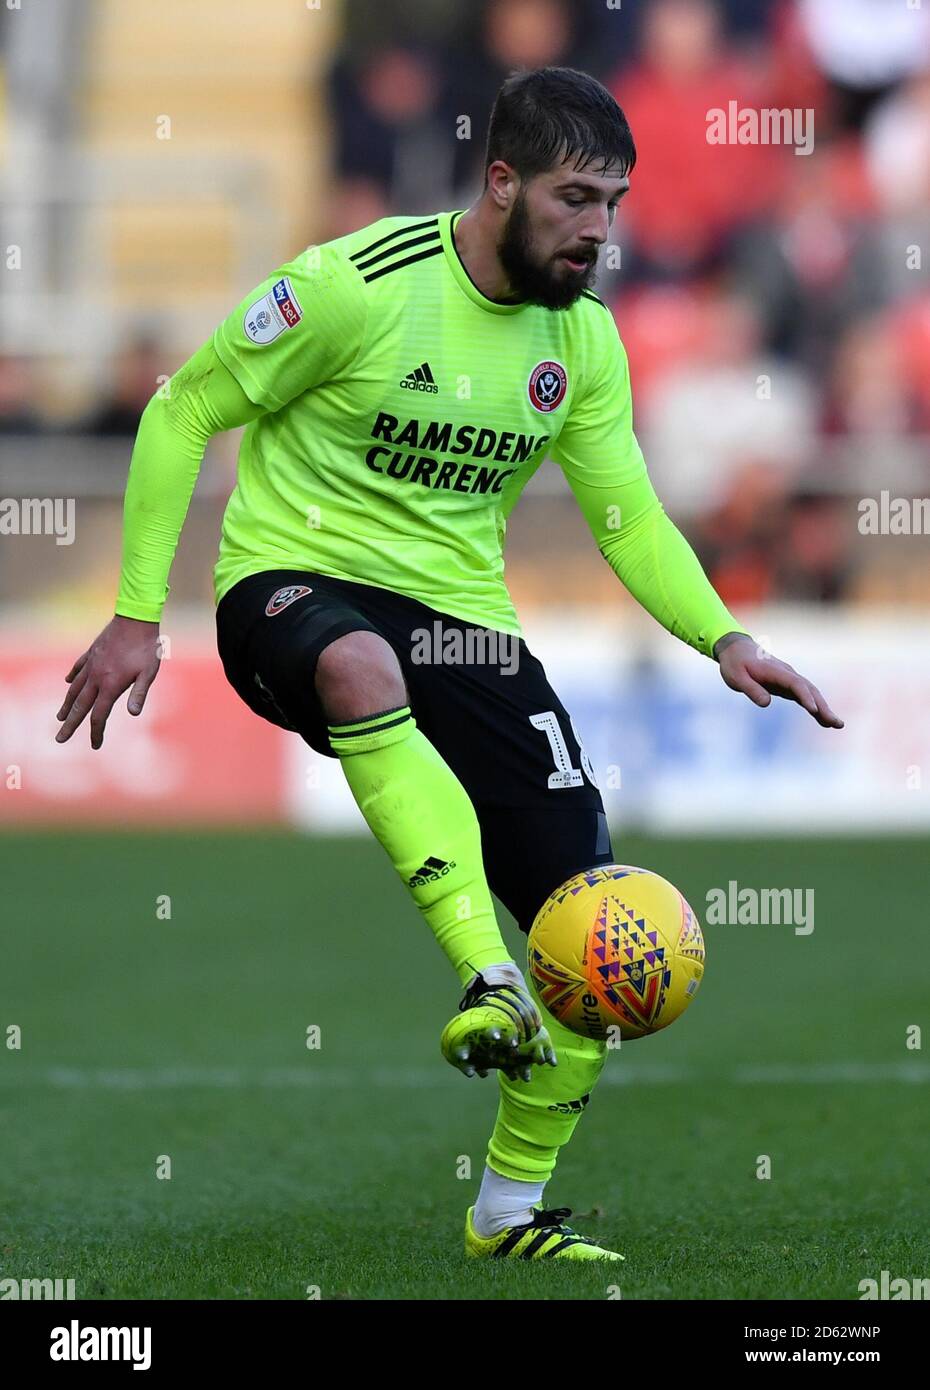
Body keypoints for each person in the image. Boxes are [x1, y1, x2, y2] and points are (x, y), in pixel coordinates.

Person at [55, 66, 842, 1262]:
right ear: (501, 181)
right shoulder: (350, 286)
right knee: (363, 664)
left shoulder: (581, 343)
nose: (598, 229)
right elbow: (182, 411)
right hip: (290, 584)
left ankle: (507, 1216)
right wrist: (132, 613)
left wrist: (726, 638)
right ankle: (484, 976)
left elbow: (624, 515)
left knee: (598, 931)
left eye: (615, 204)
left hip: (462, 624)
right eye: (576, 197)